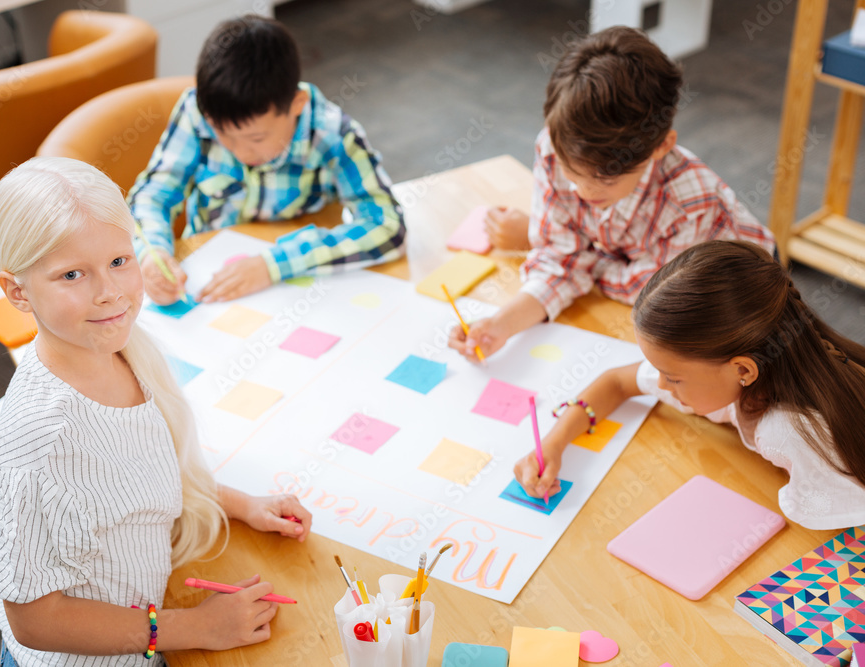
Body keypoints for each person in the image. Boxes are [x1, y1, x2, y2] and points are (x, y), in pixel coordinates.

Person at [0, 157, 313, 666]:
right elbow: (35, 619)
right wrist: (195, 626)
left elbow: (136, 475)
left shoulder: (122, 348)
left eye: (118, 261)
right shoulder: (30, 446)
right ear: (18, 291)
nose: (109, 292)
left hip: (145, 638)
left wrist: (240, 502)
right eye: (72, 274)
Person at [450, 26, 774, 362]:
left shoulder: (691, 206)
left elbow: (652, 297)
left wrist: (584, 260)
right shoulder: (554, 146)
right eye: (570, 171)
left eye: (605, 179)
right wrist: (498, 325)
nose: (582, 190)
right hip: (640, 264)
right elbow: (562, 262)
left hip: (735, 299)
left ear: (661, 146)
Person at [514, 240, 865, 530]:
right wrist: (554, 444)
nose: (663, 385)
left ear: (743, 370)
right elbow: (617, 382)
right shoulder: (744, 367)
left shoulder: (789, 430)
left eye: (674, 377)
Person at [128, 16, 405, 306]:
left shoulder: (332, 133)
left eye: (255, 139)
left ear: (297, 104)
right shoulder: (195, 111)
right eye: (222, 134)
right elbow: (152, 195)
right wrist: (152, 252)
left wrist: (274, 265)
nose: (239, 151)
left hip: (299, 288)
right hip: (207, 281)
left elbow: (388, 225)